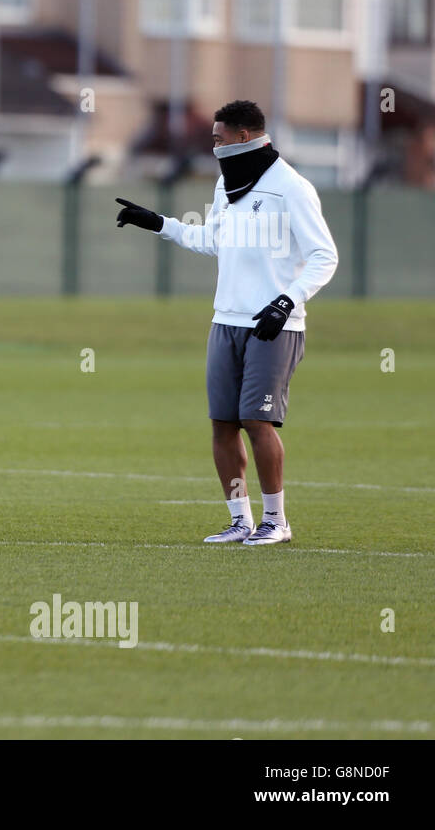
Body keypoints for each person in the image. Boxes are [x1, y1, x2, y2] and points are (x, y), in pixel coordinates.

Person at [115, 100, 337, 545]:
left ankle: (277, 521)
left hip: (274, 325)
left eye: (218, 138)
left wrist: (286, 302)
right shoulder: (227, 185)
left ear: (242, 136)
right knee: (222, 424)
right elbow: (212, 240)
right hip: (225, 320)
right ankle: (241, 520)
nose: (213, 146)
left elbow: (324, 256)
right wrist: (157, 222)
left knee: (258, 422)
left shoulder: (292, 187)